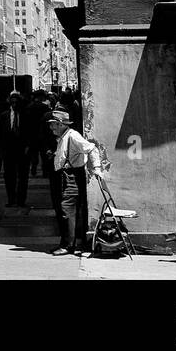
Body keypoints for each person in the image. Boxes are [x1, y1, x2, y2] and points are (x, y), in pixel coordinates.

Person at [48, 108, 102, 256]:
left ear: (60, 124)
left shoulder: (73, 136)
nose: (51, 127)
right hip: (64, 176)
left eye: (53, 124)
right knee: (63, 209)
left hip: (70, 177)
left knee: (67, 211)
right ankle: (65, 242)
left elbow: (91, 148)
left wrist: (96, 168)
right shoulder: (64, 136)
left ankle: (68, 246)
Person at [0, 93, 30, 207]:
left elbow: (30, 132)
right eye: (12, 102)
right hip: (8, 149)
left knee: (23, 176)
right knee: (9, 176)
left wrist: (28, 146)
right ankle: (11, 199)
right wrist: (1, 150)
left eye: (17, 102)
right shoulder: (4, 115)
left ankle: (21, 200)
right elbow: (0, 134)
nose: (14, 104)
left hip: (22, 149)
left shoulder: (25, 115)